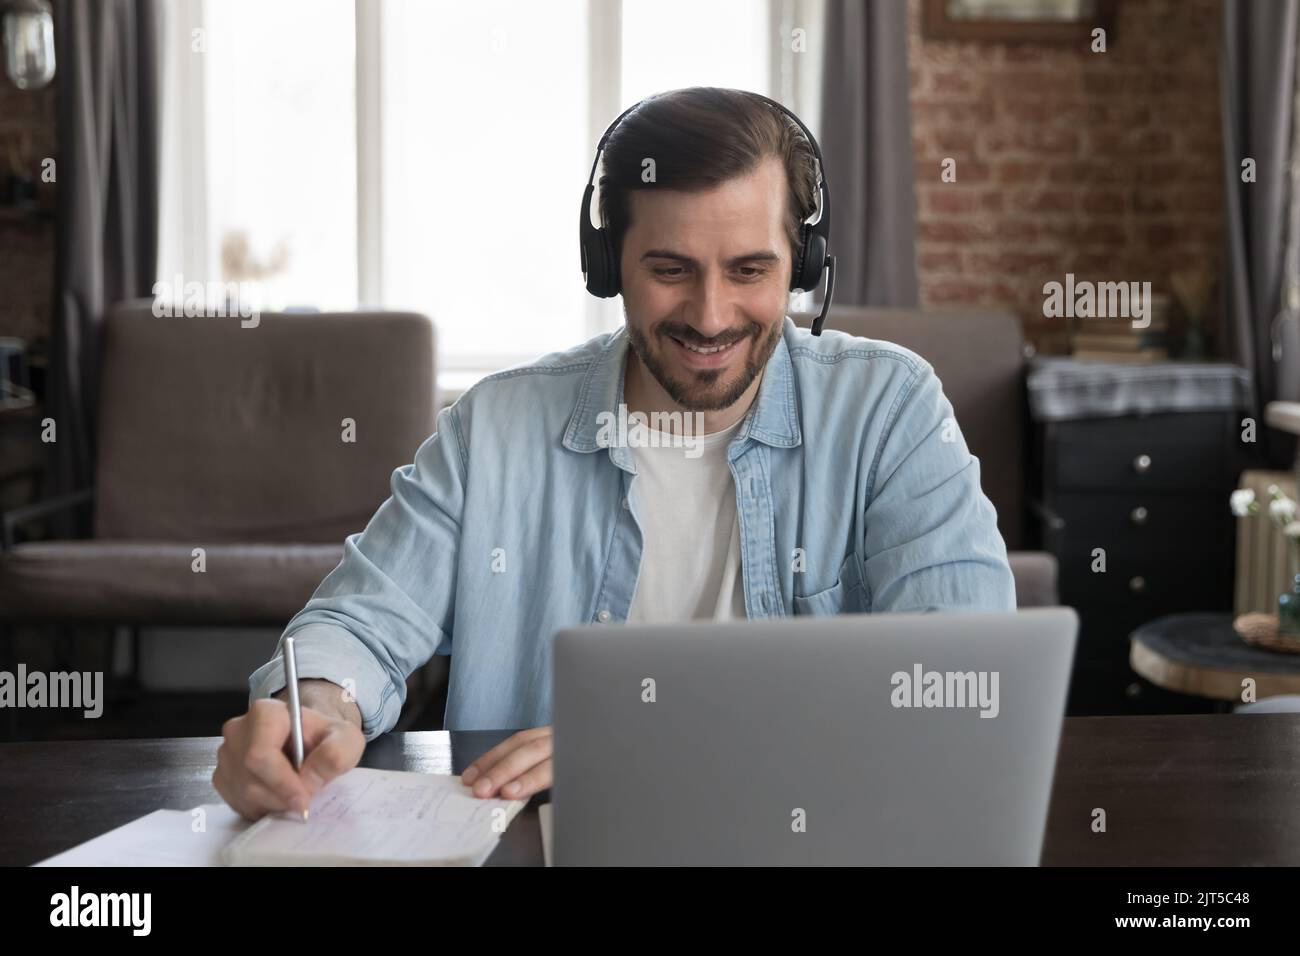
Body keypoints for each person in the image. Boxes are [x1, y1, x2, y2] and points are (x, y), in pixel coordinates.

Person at [213, 87, 1015, 822]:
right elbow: (359, 623)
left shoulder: (890, 407)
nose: (710, 315)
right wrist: (314, 708)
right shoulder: (496, 426)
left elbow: (959, 677)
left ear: (801, 267)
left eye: (750, 271)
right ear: (608, 269)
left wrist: (673, 734)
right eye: (670, 270)